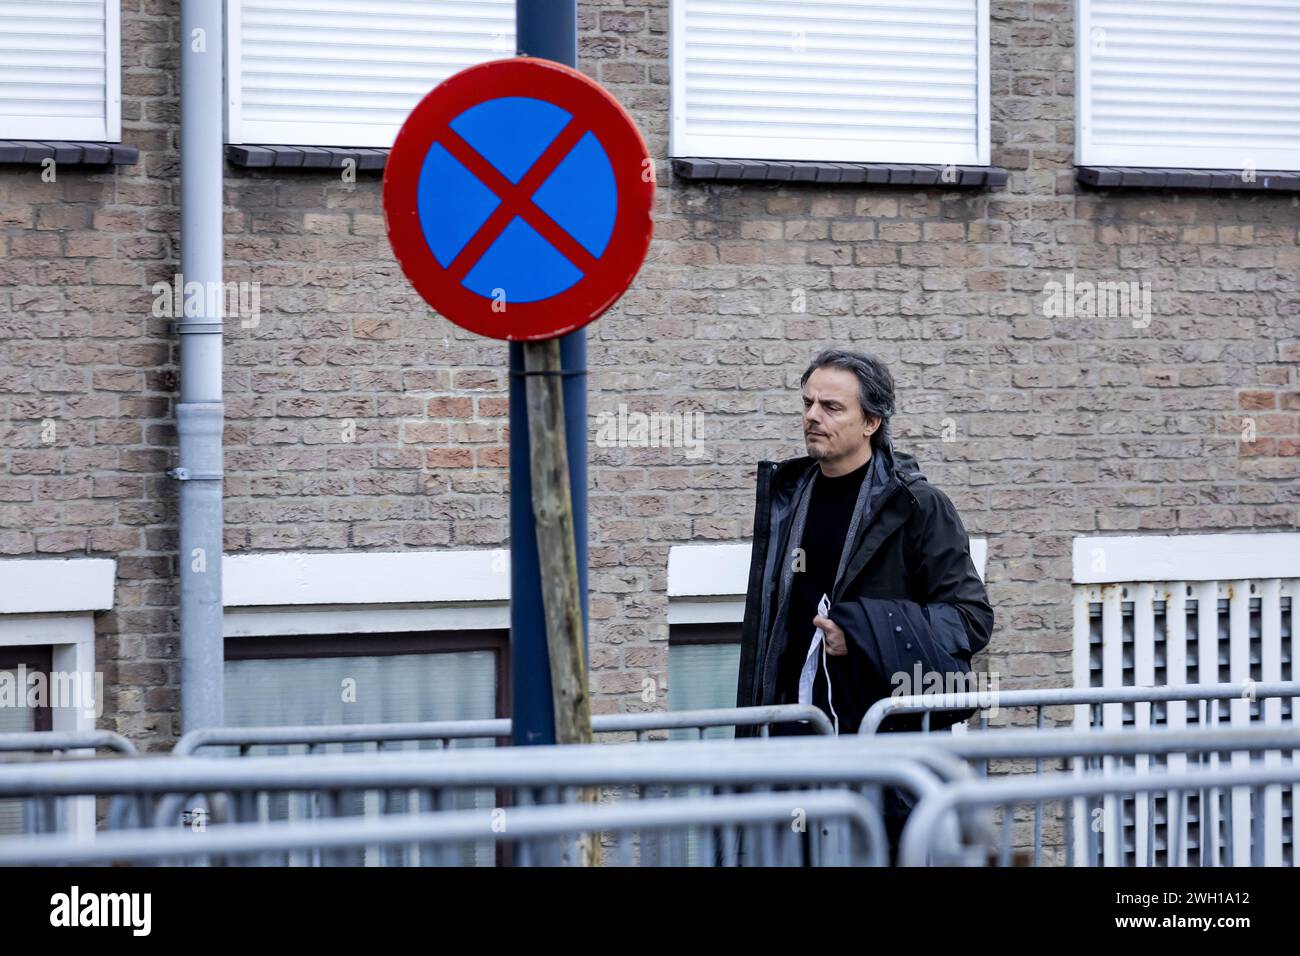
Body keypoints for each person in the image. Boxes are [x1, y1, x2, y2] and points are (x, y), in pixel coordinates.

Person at [735, 348, 994, 863]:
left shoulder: (917, 506)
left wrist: (863, 630)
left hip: (886, 755)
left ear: (872, 421)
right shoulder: (788, 500)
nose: (812, 416)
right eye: (807, 403)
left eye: (831, 407)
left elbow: (971, 619)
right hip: (793, 745)